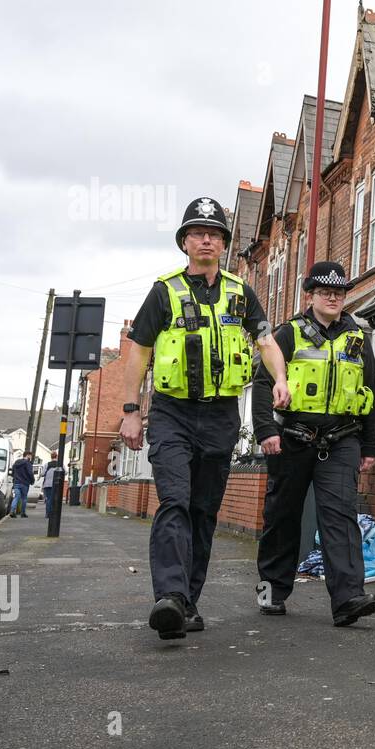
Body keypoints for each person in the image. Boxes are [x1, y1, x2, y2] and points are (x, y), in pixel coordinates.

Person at [119, 197, 290, 640]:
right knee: (174, 500)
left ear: (224, 243)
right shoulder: (164, 291)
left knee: (203, 511)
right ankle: (170, 598)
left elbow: (266, 341)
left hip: (220, 416)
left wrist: (281, 379)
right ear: (184, 242)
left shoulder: (240, 293)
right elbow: (138, 352)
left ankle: (187, 603)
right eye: (198, 233)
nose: (206, 239)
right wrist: (132, 412)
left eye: (214, 233)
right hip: (173, 413)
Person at [252, 260, 375, 627]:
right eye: (325, 292)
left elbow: (371, 391)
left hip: (342, 441)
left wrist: (369, 447)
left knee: (340, 517)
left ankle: (348, 599)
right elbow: (263, 384)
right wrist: (266, 431)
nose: (332, 298)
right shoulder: (288, 333)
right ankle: (271, 592)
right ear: (311, 295)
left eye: (339, 293)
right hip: (292, 438)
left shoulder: (358, 338)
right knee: (283, 517)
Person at [9, 451, 34, 517]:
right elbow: (30, 473)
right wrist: (32, 480)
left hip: (16, 482)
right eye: (30, 456)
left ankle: (12, 511)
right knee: (24, 498)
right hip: (25, 483)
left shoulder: (16, 462)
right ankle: (22, 513)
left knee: (16, 497)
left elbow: (12, 472)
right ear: (28, 455)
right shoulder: (28, 463)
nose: (31, 457)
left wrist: (14, 478)